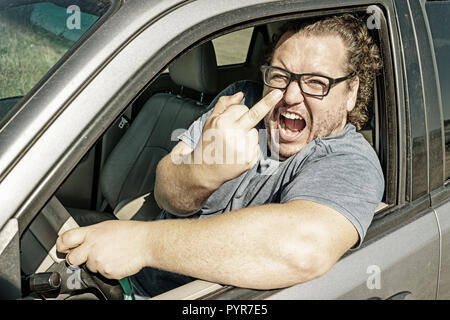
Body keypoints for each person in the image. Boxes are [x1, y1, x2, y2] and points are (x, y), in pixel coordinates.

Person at [56, 13, 384, 297]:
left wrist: (143, 244)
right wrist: (202, 172)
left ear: (351, 92)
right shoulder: (239, 101)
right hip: (126, 280)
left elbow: (302, 249)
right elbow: (165, 189)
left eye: (316, 82)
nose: (290, 96)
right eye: (281, 77)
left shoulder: (351, 161)